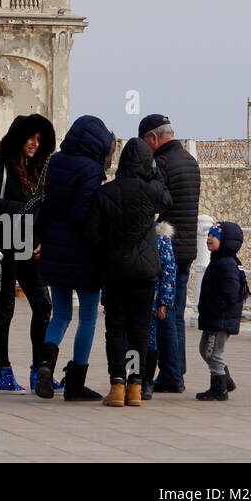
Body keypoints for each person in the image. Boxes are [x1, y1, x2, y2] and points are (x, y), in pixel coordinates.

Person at [84, 137, 172, 406]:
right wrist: (154, 173)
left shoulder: (105, 193)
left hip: (115, 271)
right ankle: (135, 386)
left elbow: (93, 234)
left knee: (116, 328)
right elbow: (167, 199)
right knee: (140, 329)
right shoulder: (152, 191)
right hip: (144, 272)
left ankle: (117, 385)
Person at [36, 115, 113, 401]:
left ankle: (45, 365)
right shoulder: (91, 169)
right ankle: (76, 381)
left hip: (55, 249)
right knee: (88, 317)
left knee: (60, 314)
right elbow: (83, 214)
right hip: (83, 253)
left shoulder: (55, 161)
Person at [0, 113, 56, 392]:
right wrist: (20, 209)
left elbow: (44, 209)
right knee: (5, 309)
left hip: (30, 248)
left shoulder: (38, 170)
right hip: (4, 245)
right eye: (30, 138)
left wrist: (42, 239)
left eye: (39, 139)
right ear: (18, 138)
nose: (34, 144)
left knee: (43, 307)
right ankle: (3, 371)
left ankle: (38, 369)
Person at [141, 114, 201, 394]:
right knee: (176, 311)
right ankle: (177, 369)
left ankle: (172, 376)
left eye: (145, 142)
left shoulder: (162, 163)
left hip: (168, 248)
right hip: (187, 247)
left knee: (163, 311)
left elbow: (156, 202)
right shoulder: (190, 161)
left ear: (153, 137)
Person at [194, 222, 247, 402]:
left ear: (225, 241)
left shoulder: (227, 264)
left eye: (214, 236)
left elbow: (230, 293)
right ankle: (226, 380)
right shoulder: (219, 261)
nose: (209, 238)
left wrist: (214, 308)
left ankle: (219, 389)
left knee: (213, 353)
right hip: (214, 316)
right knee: (204, 350)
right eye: (209, 235)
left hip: (220, 317)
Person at [144, 220, 177, 400]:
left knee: (150, 341)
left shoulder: (161, 238)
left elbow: (168, 272)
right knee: (128, 341)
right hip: (134, 299)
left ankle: (146, 380)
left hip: (152, 300)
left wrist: (164, 301)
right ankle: (132, 379)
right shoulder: (129, 231)